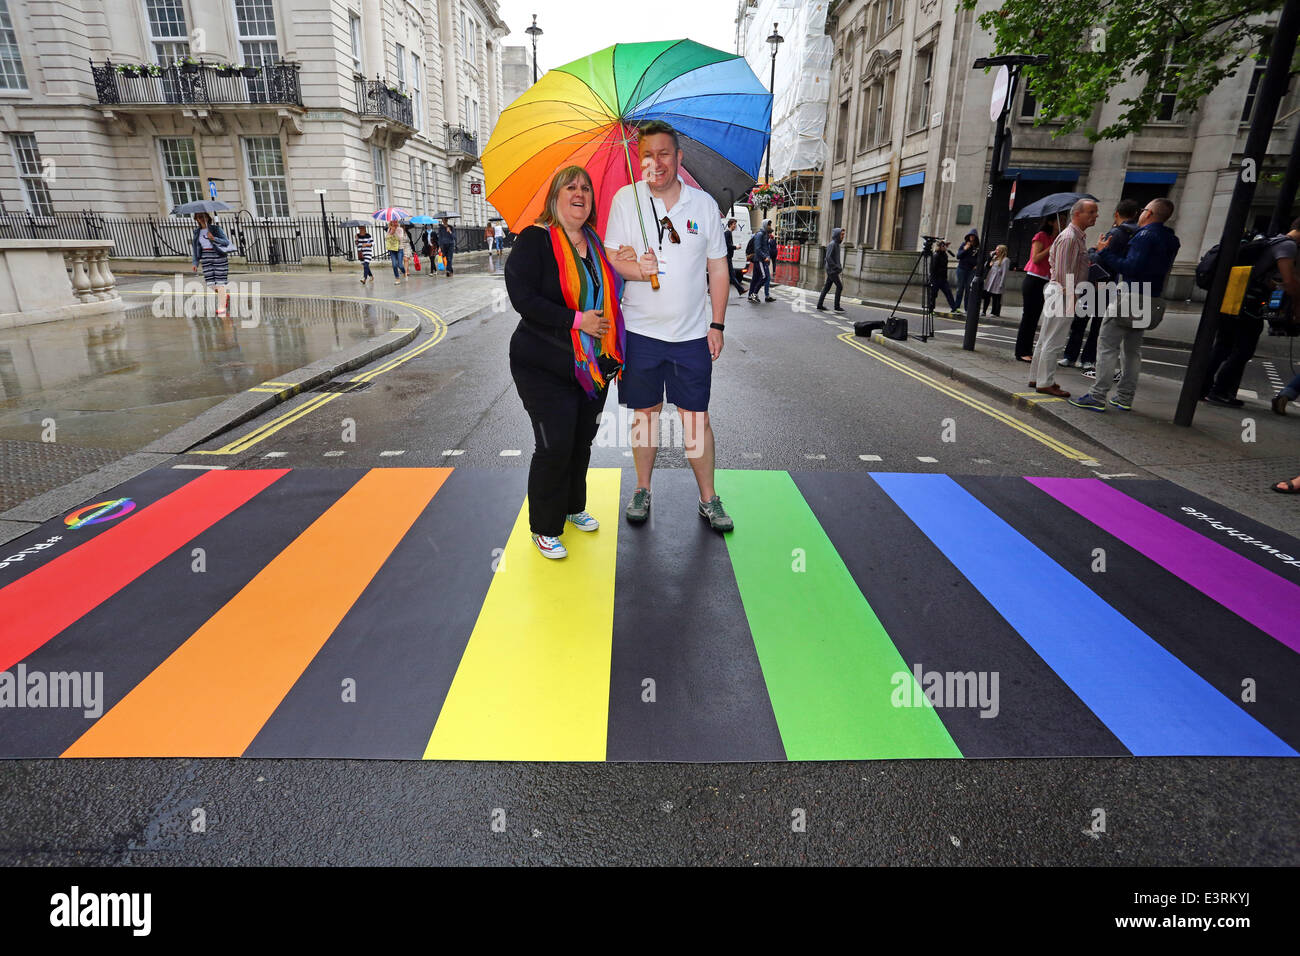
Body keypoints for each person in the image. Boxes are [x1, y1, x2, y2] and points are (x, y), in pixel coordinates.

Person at [605, 119, 734, 532]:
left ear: (678, 157)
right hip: (641, 333)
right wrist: (637, 270)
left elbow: (718, 267)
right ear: (638, 159)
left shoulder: (704, 206)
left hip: (692, 335)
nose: (655, 162)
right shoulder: (627, 200)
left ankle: (708, 498)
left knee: (697, 419)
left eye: (663, 153)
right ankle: (643, 489)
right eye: (647, 155)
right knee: (645, 415)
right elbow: (613, 258)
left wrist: (717, 323)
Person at [504, 165, 625, 560]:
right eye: (570, 187)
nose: (580, 193)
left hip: (590, 366)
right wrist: (578, 320)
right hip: (542, 363)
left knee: (580, 441)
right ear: (555, 197)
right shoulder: (535, 240)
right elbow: (522, 297)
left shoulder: (594, 242)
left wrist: (629, 263)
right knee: (554, 444)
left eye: (586, 189)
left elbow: (611, 290)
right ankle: (544, 525)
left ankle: (573, 506)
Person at [1068, 198, 1180, 412]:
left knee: (1107, 347)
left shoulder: (1145, 236)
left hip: (1130, 295)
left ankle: (1097, 395)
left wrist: (1104, 252)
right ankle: (1124, 397)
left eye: (1143, 209)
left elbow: (1131, 268)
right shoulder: (1171, 239)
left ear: (1148, 213)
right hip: (1151, 296)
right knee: (1132, 351)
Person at [1203, 216, 1300, 407]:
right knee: (1244, 349)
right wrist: (1297, 301)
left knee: (1223, 345)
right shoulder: (1288, 247)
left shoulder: (1274, 240)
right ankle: (1220, 391)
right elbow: (1288, 281)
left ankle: (1202, 388)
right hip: (1247, 303)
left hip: (1235, 296)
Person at [1063, 198, 1141, 373]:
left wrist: (1093, 251)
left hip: (1095, 284)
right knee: (1098, 326)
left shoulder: (1115, 233)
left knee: (1080, 322)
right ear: (1135, 215)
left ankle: (1070, 356)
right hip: (1111, 285)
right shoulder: (1137, 235)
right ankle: (1088, 359)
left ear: (1116, 214)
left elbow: (1099, 257)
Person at [1030, 199, 1098, 397]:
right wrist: (1072, 296)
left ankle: (1037, 377)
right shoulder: (1070, 237)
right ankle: (1045, 382)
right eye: (1091, 212)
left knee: (1045, 338)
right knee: (1055, 340)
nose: (1096, 216)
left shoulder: (1076, 237)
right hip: (1063, 292)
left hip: (1060, 291)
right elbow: (1063, 271)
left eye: (1095, 212)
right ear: (1077, 214)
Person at [1014, 215, 1059, 361]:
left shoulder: (1056, 239)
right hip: (1033, 279)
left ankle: (1027, 350)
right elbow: (1036, 258)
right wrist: (1050, 249)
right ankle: (1021, 352)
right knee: (1028, 317)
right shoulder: (1041, 236)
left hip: (1045, 281)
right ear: (1051, 222)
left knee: (1034, 318)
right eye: (1061, 220)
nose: (1064, 223)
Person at [191, 211, 232, 317]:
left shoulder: (215, 229)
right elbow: (195, 248)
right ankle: (224, 296)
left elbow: (226, 242)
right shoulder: (197, 232)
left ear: (208, 218)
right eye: (199, 217)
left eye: (203, 216)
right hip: (205, 257)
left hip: (218, 256)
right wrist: (195, 262)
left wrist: (214, 238)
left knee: (220, 283)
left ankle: (221, 307)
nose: (201, 218)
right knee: (211, 284)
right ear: (196, 219)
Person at [817, 226, 845, 312]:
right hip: (832, 271)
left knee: (826, 288)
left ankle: (819, 305)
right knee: (839, 287)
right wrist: (836, 267)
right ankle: (837, 306)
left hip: (833, 270)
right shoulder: (832, 244)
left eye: (843, 235)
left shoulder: (837, 244)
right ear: (837, 235)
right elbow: (828, 258)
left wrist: (838, 267)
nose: (843, 236)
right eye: (842, 234)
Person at [748, 219, 775, 302]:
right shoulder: (760, 235)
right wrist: (765, 257)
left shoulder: (765, 234)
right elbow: (757, 249)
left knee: (756, 278)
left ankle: (751, 295)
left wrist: (768, 257)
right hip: (760, 259)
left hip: (761, 259)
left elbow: (765, 248)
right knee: (765, 277)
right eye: (768, 225)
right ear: (764, 225)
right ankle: (754, 294)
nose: (769, 226)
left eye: (770, 225)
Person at [928, 240, 957, 314]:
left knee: (948, 293)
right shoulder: (936, 255)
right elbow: (933, 268)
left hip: (943, 279)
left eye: (947, 246)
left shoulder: (945, 255)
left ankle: (954, 308)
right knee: (933, 295)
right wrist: (932, 279)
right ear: (940, 246)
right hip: (936, 279)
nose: (946, 247)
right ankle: (930, 310)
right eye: (944, 246)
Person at [953, 229, 979, 311]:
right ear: (968, 237)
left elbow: (979, 257)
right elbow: (958, 256)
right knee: (960, 288)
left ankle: (967, 308)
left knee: (968, 289)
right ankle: (956, 307)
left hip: (971, 270)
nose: (971, 237)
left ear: (975, 237)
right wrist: (965, 249)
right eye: (970, 236)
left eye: (973, 236)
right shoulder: (964, 244)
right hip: (961, 269)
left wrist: (977, 264)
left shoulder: (977, 247)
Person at [982, 244, 1009, 316]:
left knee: (995, 297)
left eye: (997, 250)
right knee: (987, 295)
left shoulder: (1005, 260)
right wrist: (990, 257)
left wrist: (1001, 283)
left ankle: (994, 312)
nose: (996, 251)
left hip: (997, 280)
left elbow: (1004, 273)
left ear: (1002, 251)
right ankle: (984, 311)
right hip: (990, 279)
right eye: (996, 249)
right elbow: (986, 266)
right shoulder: (994, 257)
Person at [723, 218, 747, 294]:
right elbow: (727, 245)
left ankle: (740, 290)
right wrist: (736, 247)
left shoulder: (729, 233)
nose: (735, 226)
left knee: (728, 275)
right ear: (730, 225)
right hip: (727, 257)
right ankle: (741, 290)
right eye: (734, 224)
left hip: (728, 257)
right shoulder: (728, 233)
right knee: (732, 275)